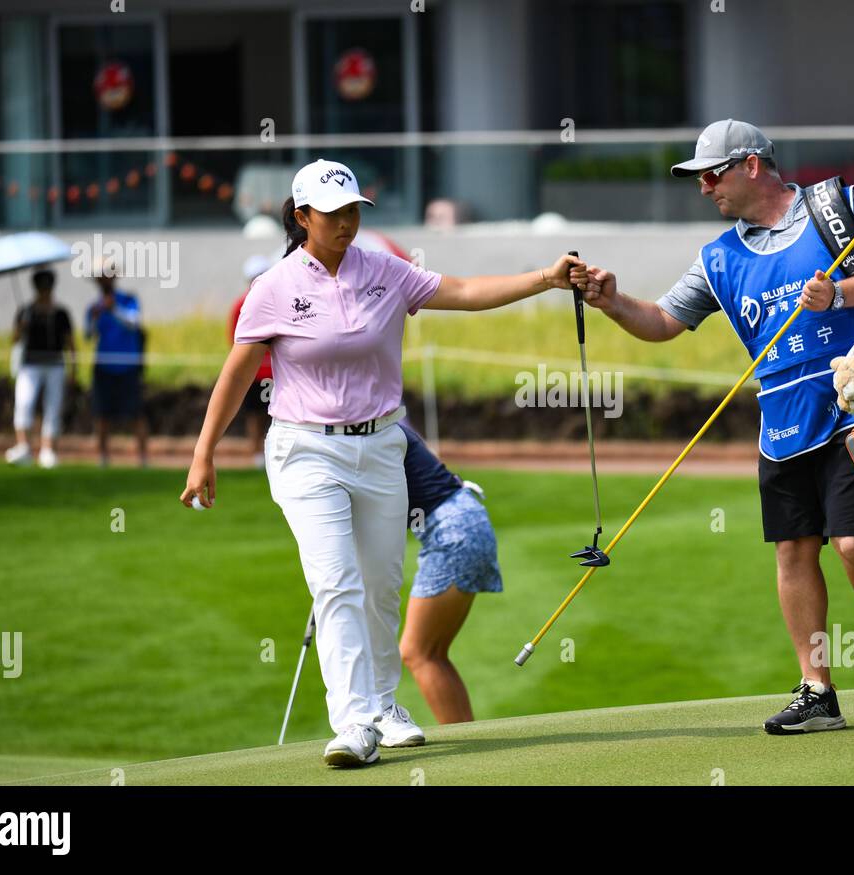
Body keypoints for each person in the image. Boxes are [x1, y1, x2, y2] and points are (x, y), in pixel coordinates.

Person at [180, 158, 585, 768]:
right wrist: (202, 454)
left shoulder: (385, 270)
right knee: (336, 581)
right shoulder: (275, 287)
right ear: (301, 217)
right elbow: (236, 375)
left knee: (380, 586)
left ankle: (382, 704)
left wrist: (546, 279)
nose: (346, 222)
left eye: (352, 210)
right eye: (333, 212)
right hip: (306, 450)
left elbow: (467, 293)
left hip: (382, 447)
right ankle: (353, 725)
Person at [574, 120, 854, 733]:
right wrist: (611, 301)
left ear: (750, 166)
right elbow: (663, 320)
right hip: (781, 426)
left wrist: (840, 294)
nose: (703, 188)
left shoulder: (836, 206)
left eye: (710, 174)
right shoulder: (717, 258)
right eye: (697, 179)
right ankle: (817, 690)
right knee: (793, 552)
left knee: (852, 543)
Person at [398, 422, 502, 724]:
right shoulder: (386, 424)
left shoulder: (377, 432)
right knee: (432, 652)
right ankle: (467, 733)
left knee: (417, 652)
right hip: (468, 522)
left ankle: (464, 741)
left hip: (452, 534)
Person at [5, 268, 76, 469]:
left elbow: (70, 343)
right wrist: (22, 326)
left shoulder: (61, 313)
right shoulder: (25, 312)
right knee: (24, 403)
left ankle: (48, 450)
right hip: (30, 365)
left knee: (52, 407)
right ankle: (23, 447)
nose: (44, 290)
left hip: (55, 365)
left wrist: (73, 370)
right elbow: (14, 340)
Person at [85, 260, 148, 467]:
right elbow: (88, 336)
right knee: (101, 414)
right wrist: (94, 319)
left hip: (128, 366)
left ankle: (142, 459)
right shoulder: (93, 307)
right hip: (104, 366)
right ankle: (103, 458)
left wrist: (114, 310)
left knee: (136, 414)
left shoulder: (129, 300)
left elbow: (134, 323)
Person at [228, 254, 277, 469]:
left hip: (277, 372)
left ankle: (272, 452)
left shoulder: (279, 302)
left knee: (275, 414)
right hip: (254, 373)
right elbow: (236, 341)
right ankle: (256, 453)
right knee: (254, 413)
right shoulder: (241, 305)